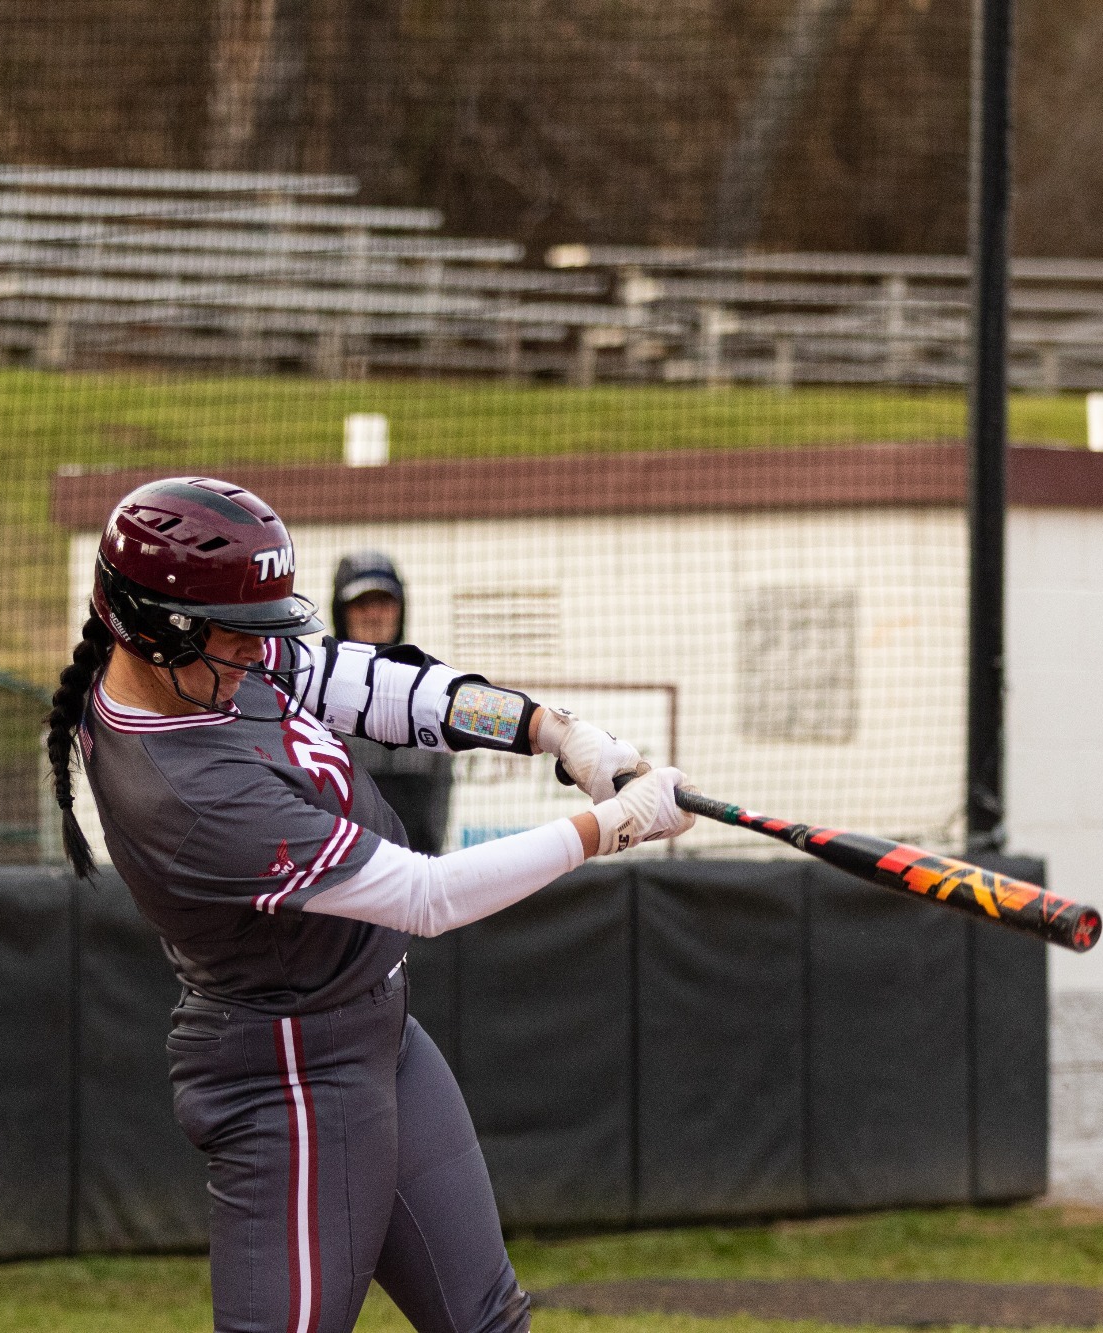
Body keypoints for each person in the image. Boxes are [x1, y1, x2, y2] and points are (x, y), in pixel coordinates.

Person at [44, 477, 693, 1333]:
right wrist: (611, 825)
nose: (259, 653)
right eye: (237, 635)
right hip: (291, 1071)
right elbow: (427, 895)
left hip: (375, 1026)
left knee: (487, 1321)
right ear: (155, 627)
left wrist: (549, 728)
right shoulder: (184, 793)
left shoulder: (209, 664)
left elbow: (377, 685)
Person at [331, 551, 455, 854]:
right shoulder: (315, 694)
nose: (374, 615)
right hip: (344, 867)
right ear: (341, 613)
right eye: (361, 604)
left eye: (385, 603)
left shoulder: (428, 689)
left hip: (415, 867)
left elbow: (438, 799)